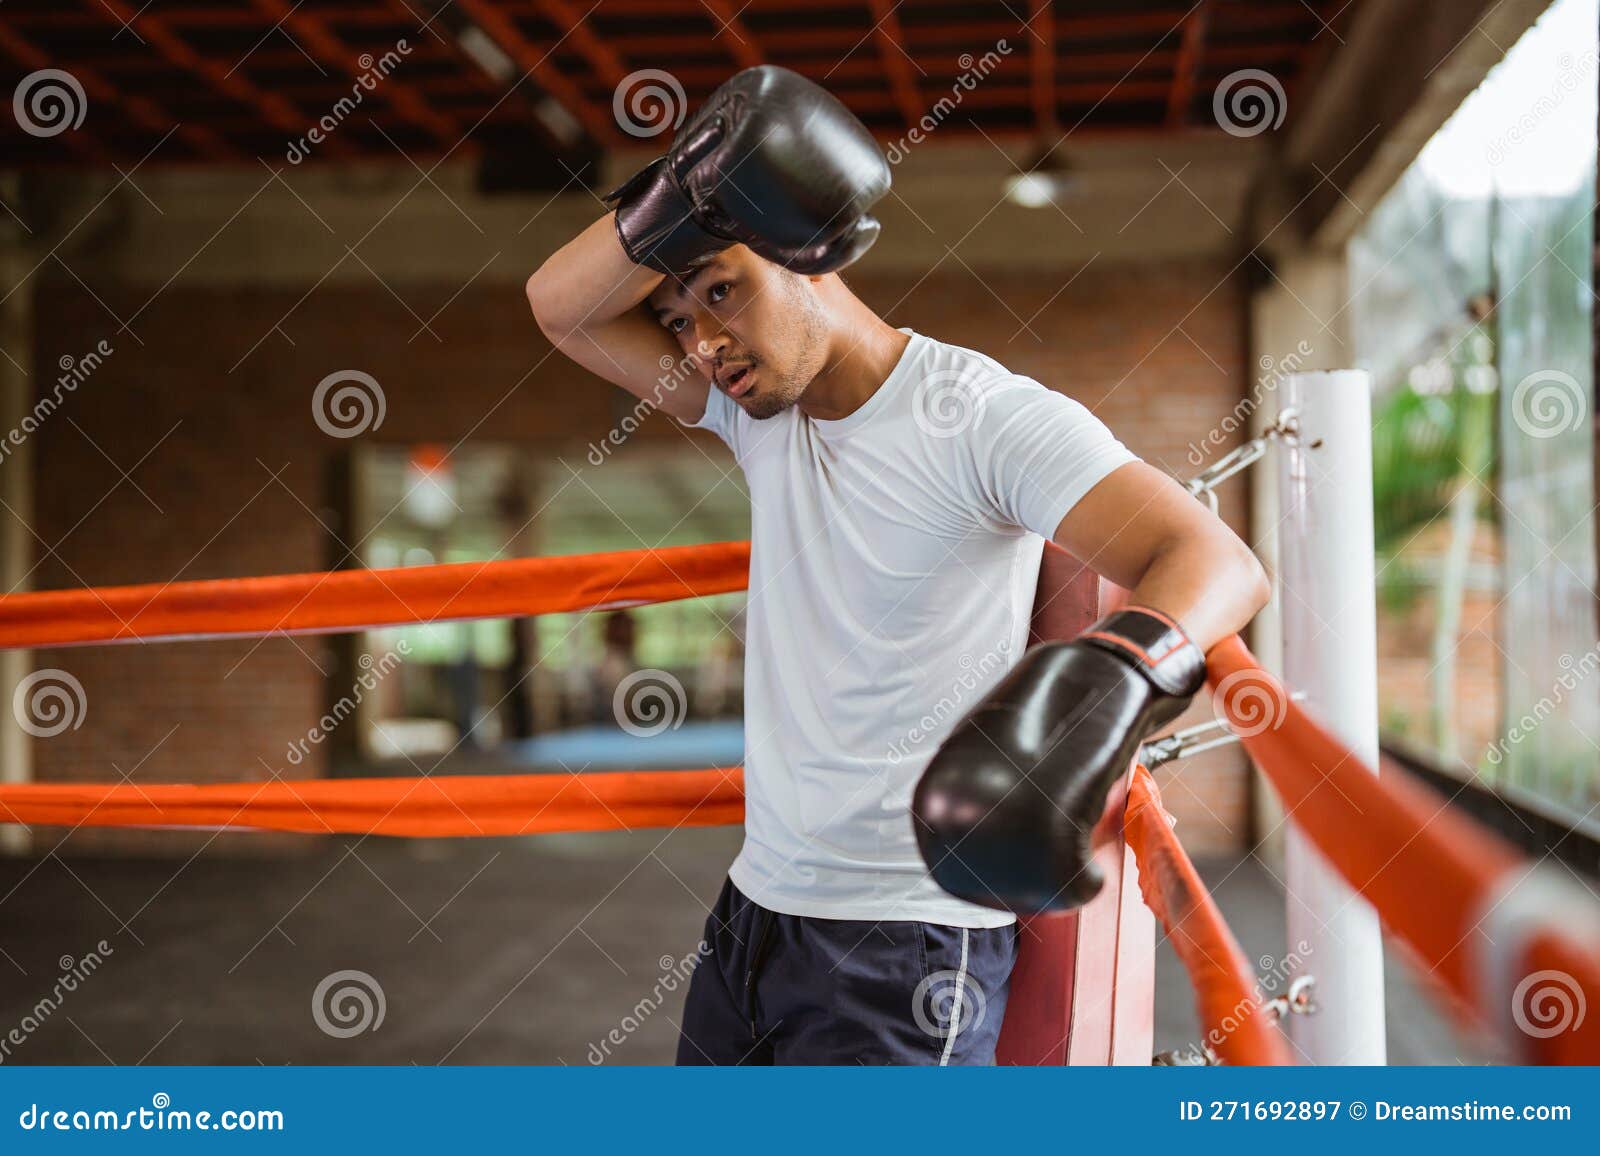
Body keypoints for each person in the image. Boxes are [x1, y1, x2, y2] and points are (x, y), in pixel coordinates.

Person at [526, 65, 1268, 1066]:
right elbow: (557, 306)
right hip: (756, 907)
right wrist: (690, 189)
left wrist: (1104, 683)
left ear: (806, 257)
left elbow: (1217, 560)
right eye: (677, 321)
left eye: (720, 291)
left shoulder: (980, 416)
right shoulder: (760, 421)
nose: (703, 344)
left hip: (906, 941)